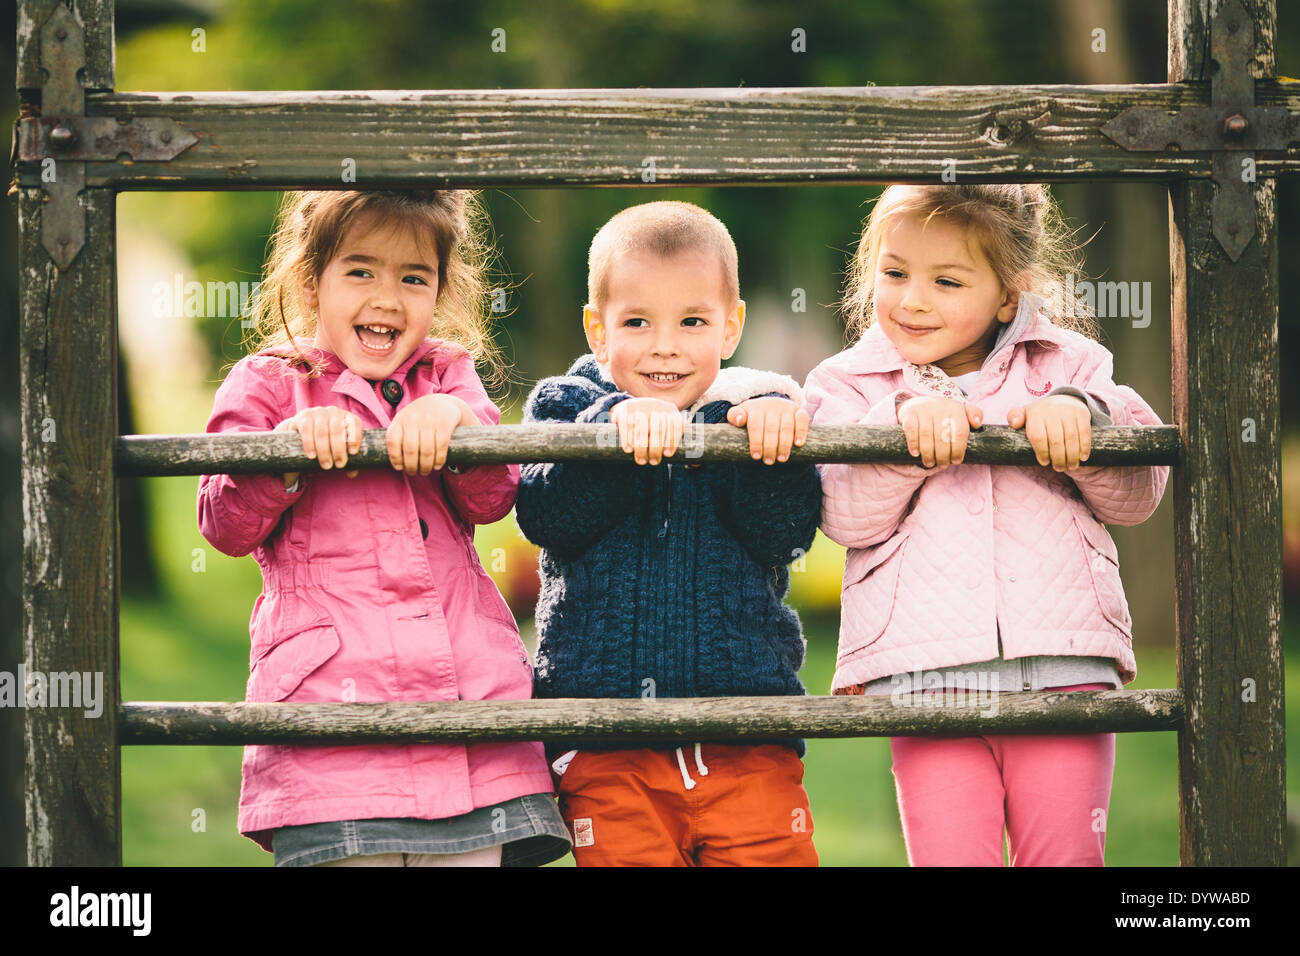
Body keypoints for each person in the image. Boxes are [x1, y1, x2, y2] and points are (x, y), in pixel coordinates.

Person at [197, 189, 570, 867]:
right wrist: (283, 454)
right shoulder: (271, 383)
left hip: (466, 717)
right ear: (312, 283)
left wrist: (458, 429)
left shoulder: (447, 374)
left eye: (413, 277)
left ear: (440, 290)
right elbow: (222, 521)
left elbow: (494, 497)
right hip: (332, 721)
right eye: (361, 270)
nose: (388, 298)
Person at [804, 183, 1169, 866]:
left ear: (1009, 294)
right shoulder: (851, 384)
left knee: (1064, 859)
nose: (911, 300)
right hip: (923, 678)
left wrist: (1082, 422)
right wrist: (898, 432)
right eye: (894, 273)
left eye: (946, 281)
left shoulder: (1072, 366)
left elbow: (1138, 497)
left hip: (1064, 669)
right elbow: (841, 515)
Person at [515, 200, 821, 866]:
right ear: (598, 330)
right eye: (636, 322)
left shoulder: (754, 413)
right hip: (607, 743)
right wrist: (611, 432)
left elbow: (789, 535)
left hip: (746, 739)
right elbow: (545, 514)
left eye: (691, 321)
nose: (664, 345)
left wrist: (768, 450)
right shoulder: (567, 407)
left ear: (731, 327)